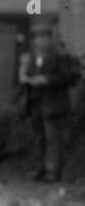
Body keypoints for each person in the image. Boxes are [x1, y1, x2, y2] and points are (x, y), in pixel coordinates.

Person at [18, 19, 78, 182]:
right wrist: (24, 77)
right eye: (36, 38)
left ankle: (52, 170)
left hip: (54, 104)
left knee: (53, 138)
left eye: (43, 37)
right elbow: (26, 77)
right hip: (36, 103)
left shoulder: (60, 56)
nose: (39, 41)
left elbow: (71, 76)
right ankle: (40, 168)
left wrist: (46, 80)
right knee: (38, 138)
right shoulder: (31, 58)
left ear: (50, 38)